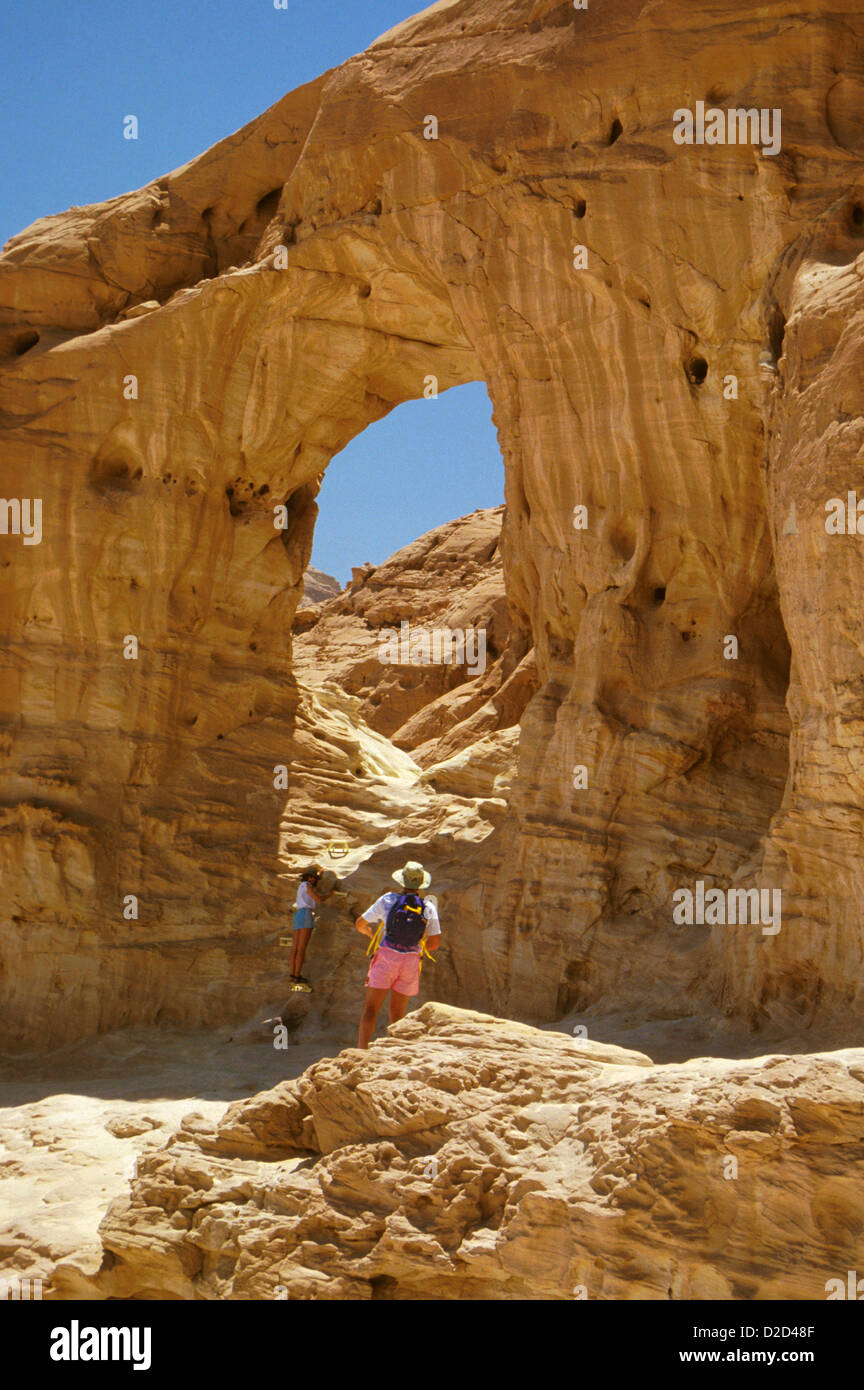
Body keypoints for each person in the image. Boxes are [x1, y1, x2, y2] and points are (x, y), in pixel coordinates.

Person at [354, 860, 441, 1048]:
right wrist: (417, 942)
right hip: (410, 961)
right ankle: (393, 1052)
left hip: (386, 956)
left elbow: (359, 922)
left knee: (370, 1009)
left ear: (401, 881)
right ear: (421, 884)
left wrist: (368, 933)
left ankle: (360, 1052)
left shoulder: (388, 900)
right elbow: (434, 944)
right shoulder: (428, 907)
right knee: (397, 1013)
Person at [290, 864, 325, 989]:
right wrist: (330, 895)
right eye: (313, 877)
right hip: (306, 914)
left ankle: (293, 976)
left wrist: (319, 873)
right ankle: (298, 975)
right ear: (309, 877)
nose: (314, 879)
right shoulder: (307, 885)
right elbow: (318, 899)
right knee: (301, 948)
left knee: (295, 948)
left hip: (298, 914)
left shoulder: (301, 886)